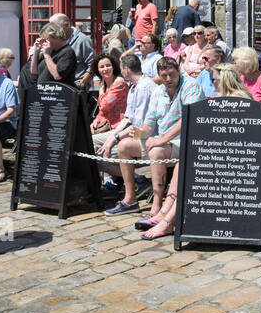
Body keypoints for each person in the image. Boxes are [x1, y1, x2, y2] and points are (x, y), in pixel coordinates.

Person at [138, 64, 250, 240]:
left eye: (213, 79)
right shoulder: (223, 97)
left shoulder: (237, 99)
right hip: (219, 153)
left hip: (234, 160)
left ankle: (168, 222)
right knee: (182, 164)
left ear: (224, 80)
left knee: (189, 168)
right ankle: (164, 213)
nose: (211, 82)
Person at [109, 57, 202, 217]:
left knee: (156, 151)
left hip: (187, 141)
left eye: (171, 74)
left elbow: (187, 119)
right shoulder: (159, 91)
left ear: (178, 71)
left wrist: (162, 139)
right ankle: (130, 198)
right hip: (165, 140)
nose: (168, 79)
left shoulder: (191, 86)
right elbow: (149, 125)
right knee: (124, 146)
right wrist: (138, 132)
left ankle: (157, 206)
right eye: (164, 76)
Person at [96, 52, 156, 207]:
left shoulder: (144, 88)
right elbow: (128, 118)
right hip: (131, 130)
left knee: (99, 156)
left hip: (144, 135)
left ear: (127, 69)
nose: (120, 71)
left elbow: (140, 128)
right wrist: (111, 140)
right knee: (91, 142)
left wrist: (115, 139)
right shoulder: (134, 87)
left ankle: (139, 180)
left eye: (121, 68)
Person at [89, 52, 129, 145]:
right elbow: (101, 111)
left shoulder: (119, 82)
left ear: (113, 67)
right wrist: (95, 121)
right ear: (98, 70)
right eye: (102, 67)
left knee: (91, 141)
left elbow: (105, 106)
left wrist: (101, 93)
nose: (105, 69)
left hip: (118, 126)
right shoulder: (103, 86)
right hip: (105, 126)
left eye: (108, 65)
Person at [53, 13, 96, 89]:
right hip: (59, 86)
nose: (54, 31)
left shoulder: (83, 40)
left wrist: (82, 83)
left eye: (56, 28)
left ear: (66, 25)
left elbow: (93, 64)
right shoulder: (57, 40)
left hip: (76, 86)